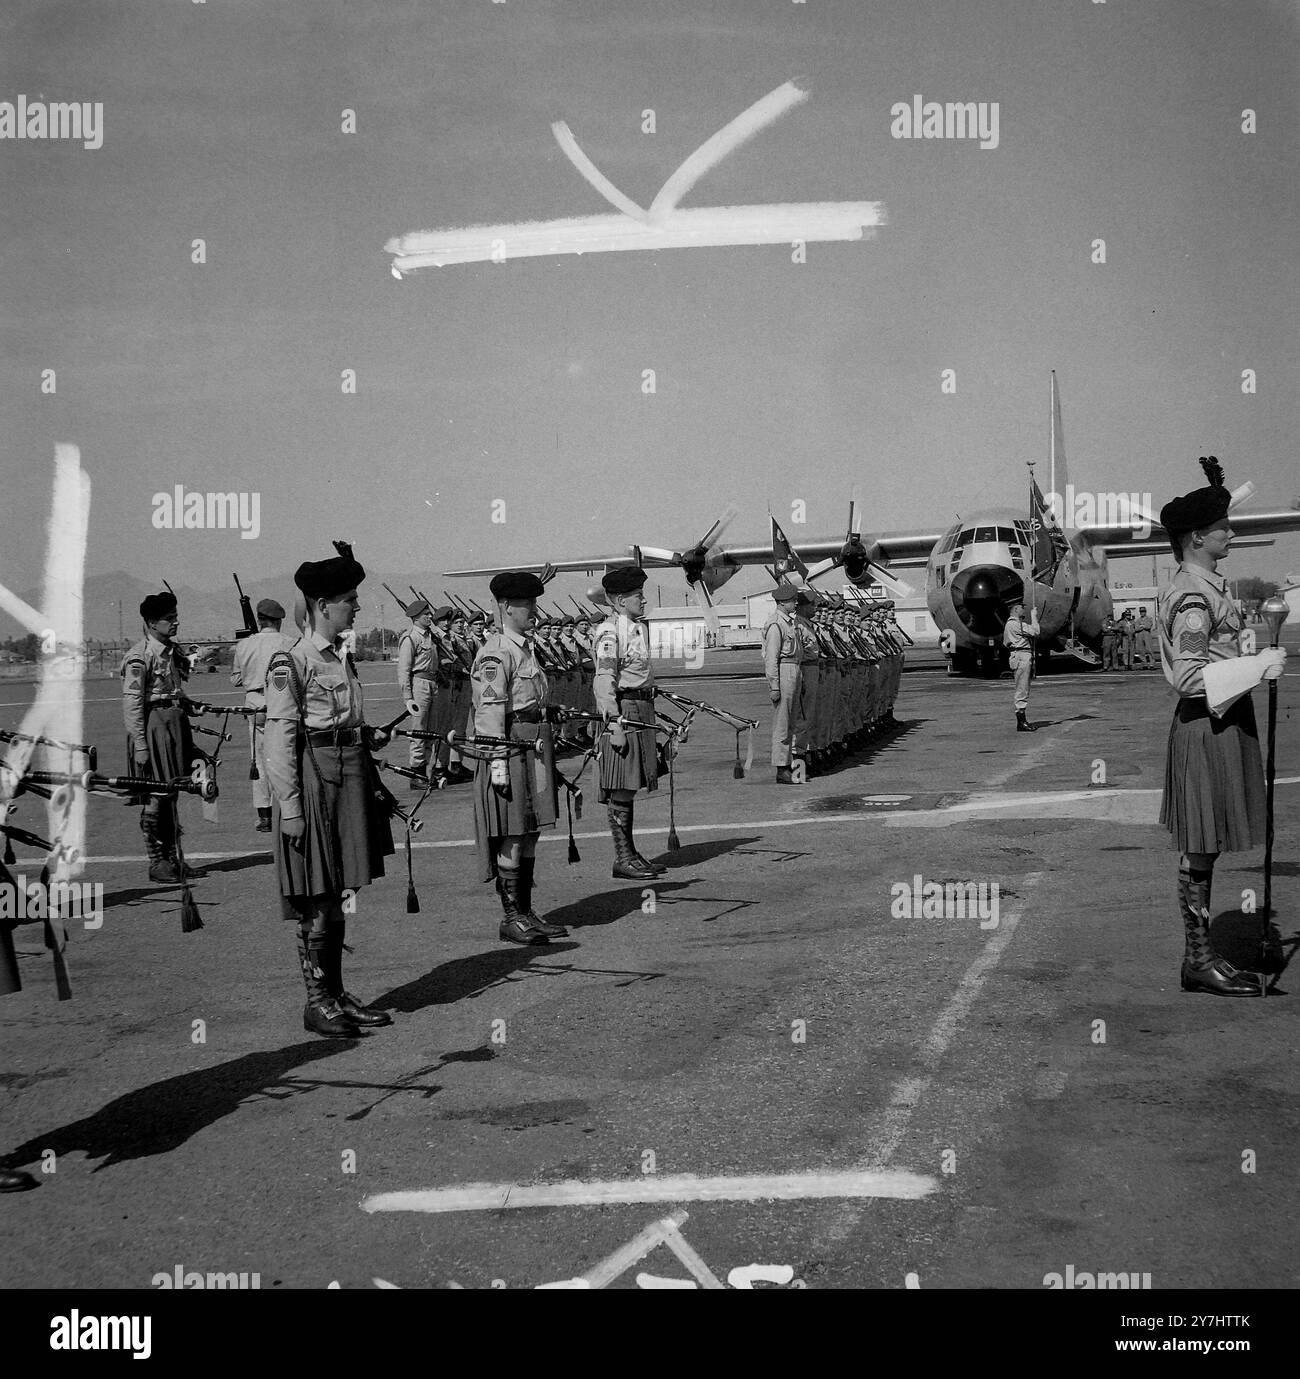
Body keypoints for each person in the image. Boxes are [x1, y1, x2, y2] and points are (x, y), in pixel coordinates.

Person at [1157, 457, 1286, 997]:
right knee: (1201, 846)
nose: (1230, 533)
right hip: (1205, 726)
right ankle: (1198, 960)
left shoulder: (1209, 585)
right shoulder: (1192, 595)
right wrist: (1258, 666)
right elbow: (1189, 679)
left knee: (1207, 846)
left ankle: (1201, 958)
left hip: (1223, 722)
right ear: (1196, 538)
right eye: (1222, 527)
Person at [264, 549, 396, 1037]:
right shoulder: (292, 662)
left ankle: (337, 994)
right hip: (316, 780)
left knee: (339, 888)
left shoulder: (339, 657)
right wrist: (291, 808)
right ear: (322, 604)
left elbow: (341, 720)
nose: (356, 607)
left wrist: (366, 735)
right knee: (318, 893)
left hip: (348, 773)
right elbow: (278, 740)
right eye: (349, 600)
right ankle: (317, 1001)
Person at [470, 572, 566, 944]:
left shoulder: (525, 647)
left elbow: (529, 699)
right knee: (511, 833)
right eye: (528, 605)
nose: (534, 612)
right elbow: (491, 714)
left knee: (530, 831)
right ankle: (511, 918)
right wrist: (497, 765)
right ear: (507, 607)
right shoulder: (496, 652)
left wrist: (549, 710)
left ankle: (526, 912)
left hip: (533, 745)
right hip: (510, 750)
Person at [122, 590, 201, 883]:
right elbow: (132, 704)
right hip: (154, 729)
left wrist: (189, 704)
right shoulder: (139, 657)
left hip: (174, 726)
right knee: (156, 796)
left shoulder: (170, 651)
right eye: (170, 619)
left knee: (171, 794)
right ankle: (157, 863)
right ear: (152, 623)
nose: (176, 623)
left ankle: (172, 859)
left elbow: (171, 690)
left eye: (176, 617)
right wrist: (140, 745)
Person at [594, 567, 666, 880]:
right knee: (622, 786)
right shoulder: (610, 632)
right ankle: (623, 859)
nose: (643, 599)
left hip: (640, 707)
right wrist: (615, 726)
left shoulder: (633, 627)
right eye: (638, 595)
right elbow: (604, 680)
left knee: (630, 785)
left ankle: (631, 854)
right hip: (624, 712)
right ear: (621, 600)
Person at [230, 598, 295, 830]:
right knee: (286, 754)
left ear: (259, 620)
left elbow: (236, 678)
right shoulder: (290, 642)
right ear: (279, 621)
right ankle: (288, 808)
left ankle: (264, 815)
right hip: (280, 702)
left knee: (258, 759)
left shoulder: (244, 645)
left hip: (253, 704)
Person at [396, 597, 440, 789]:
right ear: (415, 618)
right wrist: (408, 697)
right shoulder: (411, 638)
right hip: (419, 684)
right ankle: (416, 773)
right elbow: (404, 670)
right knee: (419, 730)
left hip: (433, 683)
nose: (430, 616)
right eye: (426, 614)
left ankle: (426, 772)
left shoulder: (431, 636)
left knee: (431, 730)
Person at [763, 582, 804, 783]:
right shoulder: (776, 624)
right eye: (793, 600)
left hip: (794, 668)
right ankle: (781, 768)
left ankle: (794, 767)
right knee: (783, 723)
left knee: (793, 722)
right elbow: (771, 658)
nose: (796, 603)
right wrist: (775, 686)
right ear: (782, 602)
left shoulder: (789, 622)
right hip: (784, 670)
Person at [1003, 600, 1040, 732]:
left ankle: (1022, 719)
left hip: (1019, 655)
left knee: (1023, 687)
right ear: (1016, 609)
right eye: (1021, 608)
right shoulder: (1015, 624)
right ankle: (1021, 721)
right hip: (1021, 656)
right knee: (1022, 688)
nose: (1023, 610)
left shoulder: (1010, 625)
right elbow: (1035, 631)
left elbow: (1005, 642)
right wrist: (1034, 616)